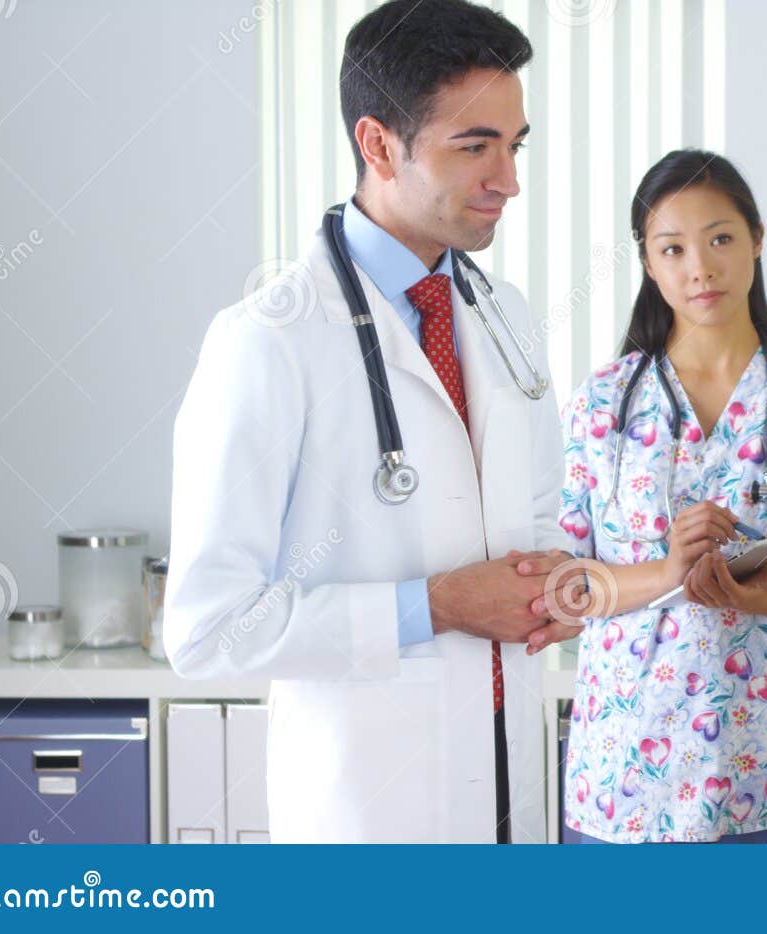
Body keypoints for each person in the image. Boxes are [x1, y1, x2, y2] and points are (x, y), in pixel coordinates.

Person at [166, 0, 572, 844]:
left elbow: (535, 519)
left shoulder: (507, 317)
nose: (508, 180)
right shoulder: (267, 341)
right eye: (474, 147)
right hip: (373, 811)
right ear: (378, 144)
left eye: (514, 144)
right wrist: (439, 606)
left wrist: (559, 585)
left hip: (508, 788)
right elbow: (207, 631)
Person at [548, 150, 767, 843]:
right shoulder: (604, 404)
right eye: (673, 248)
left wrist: (753, 596)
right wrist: (669, 574)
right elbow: (567, 587)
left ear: (758, 239)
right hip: (624, 774)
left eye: (721, 238)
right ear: (648, 262)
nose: (700, 267)